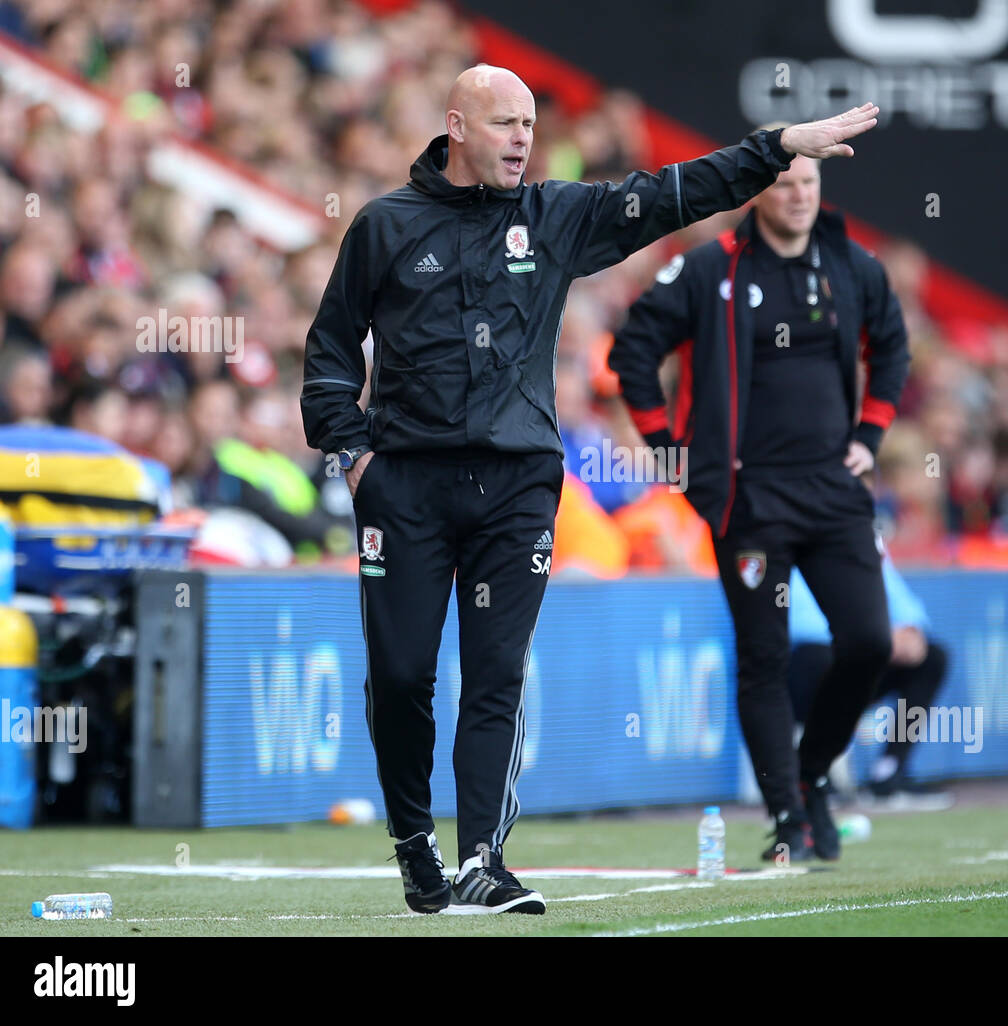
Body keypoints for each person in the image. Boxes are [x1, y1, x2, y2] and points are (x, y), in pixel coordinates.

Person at [301, 65, 880, 912]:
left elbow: (672, 193)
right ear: (457, 127)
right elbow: (328, 356)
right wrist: (355, 462)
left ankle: (483, 861)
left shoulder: (556, 216)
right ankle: (411, 840)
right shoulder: (384, 227)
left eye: (529, 124)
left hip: (518, 491)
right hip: (407, 491)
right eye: (504, 124)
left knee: (496, 678)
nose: (522, 139)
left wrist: (775, 150)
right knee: (399, 678)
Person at [608, 138, 908, 864]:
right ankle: (788, 818)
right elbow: (633, 351)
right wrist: (666, 447)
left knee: (870, 641)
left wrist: (872, 430)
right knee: (763, 658)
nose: (799, 193)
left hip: (834, 493)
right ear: (758, 191)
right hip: (748, 500)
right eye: (784, 181)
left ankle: (809, 777)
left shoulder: (852, 265)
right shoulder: (711, 267)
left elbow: (893, 346)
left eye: (809, 181)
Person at [787, 549, 955, 812]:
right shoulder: (791, 538)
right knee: (816, 656)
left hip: (861, 655)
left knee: (931, 658)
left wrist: (910, 629)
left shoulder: (858, 536)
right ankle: (812, 774)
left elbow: (902, 600)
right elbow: (794, 618)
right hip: (804, 670)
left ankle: (889, 772)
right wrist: (872, 635)